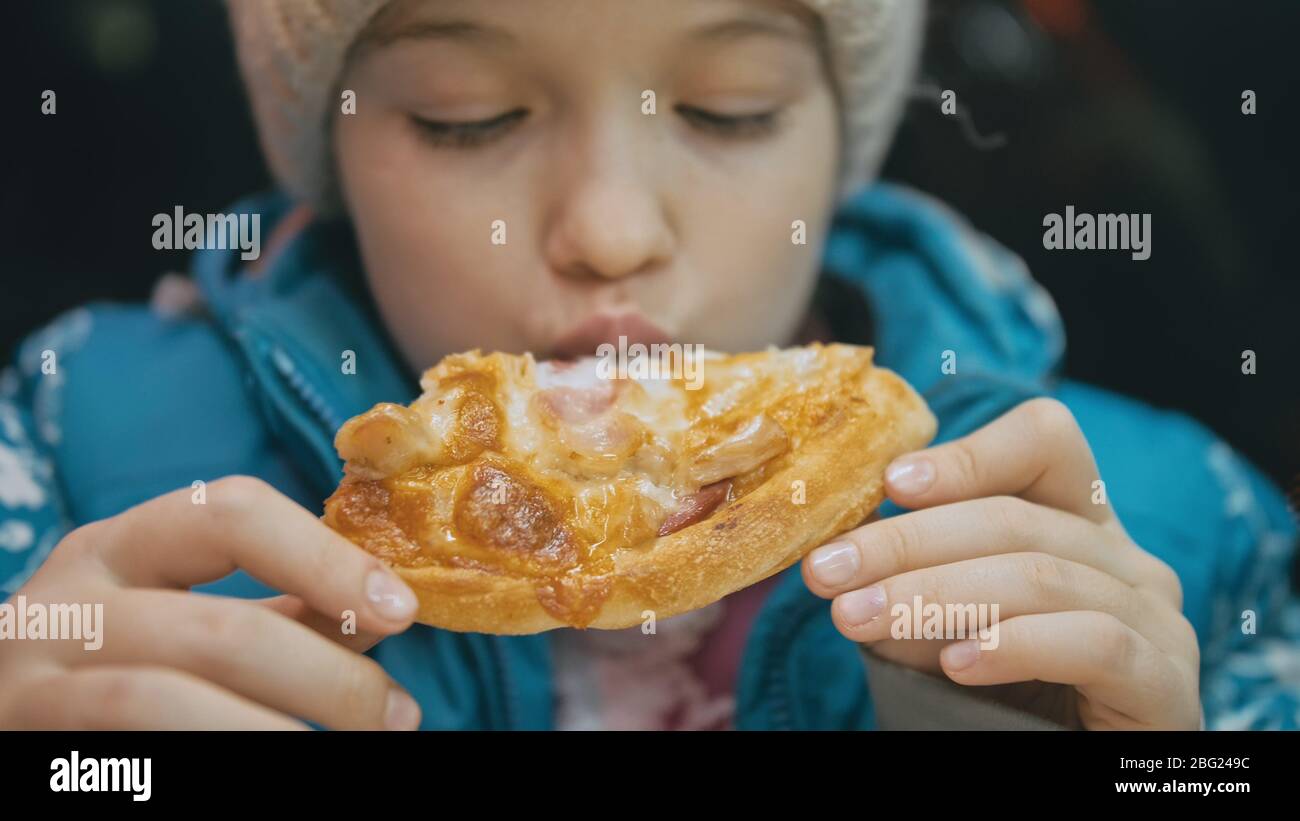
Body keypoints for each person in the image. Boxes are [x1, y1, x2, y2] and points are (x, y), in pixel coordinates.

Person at [1, 0, 1295, 730]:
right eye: (470, 118)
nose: (612, 231)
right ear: (331, 157)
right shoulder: (65, 466)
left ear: (841, 140)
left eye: (731, 110)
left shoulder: (1188, 533)